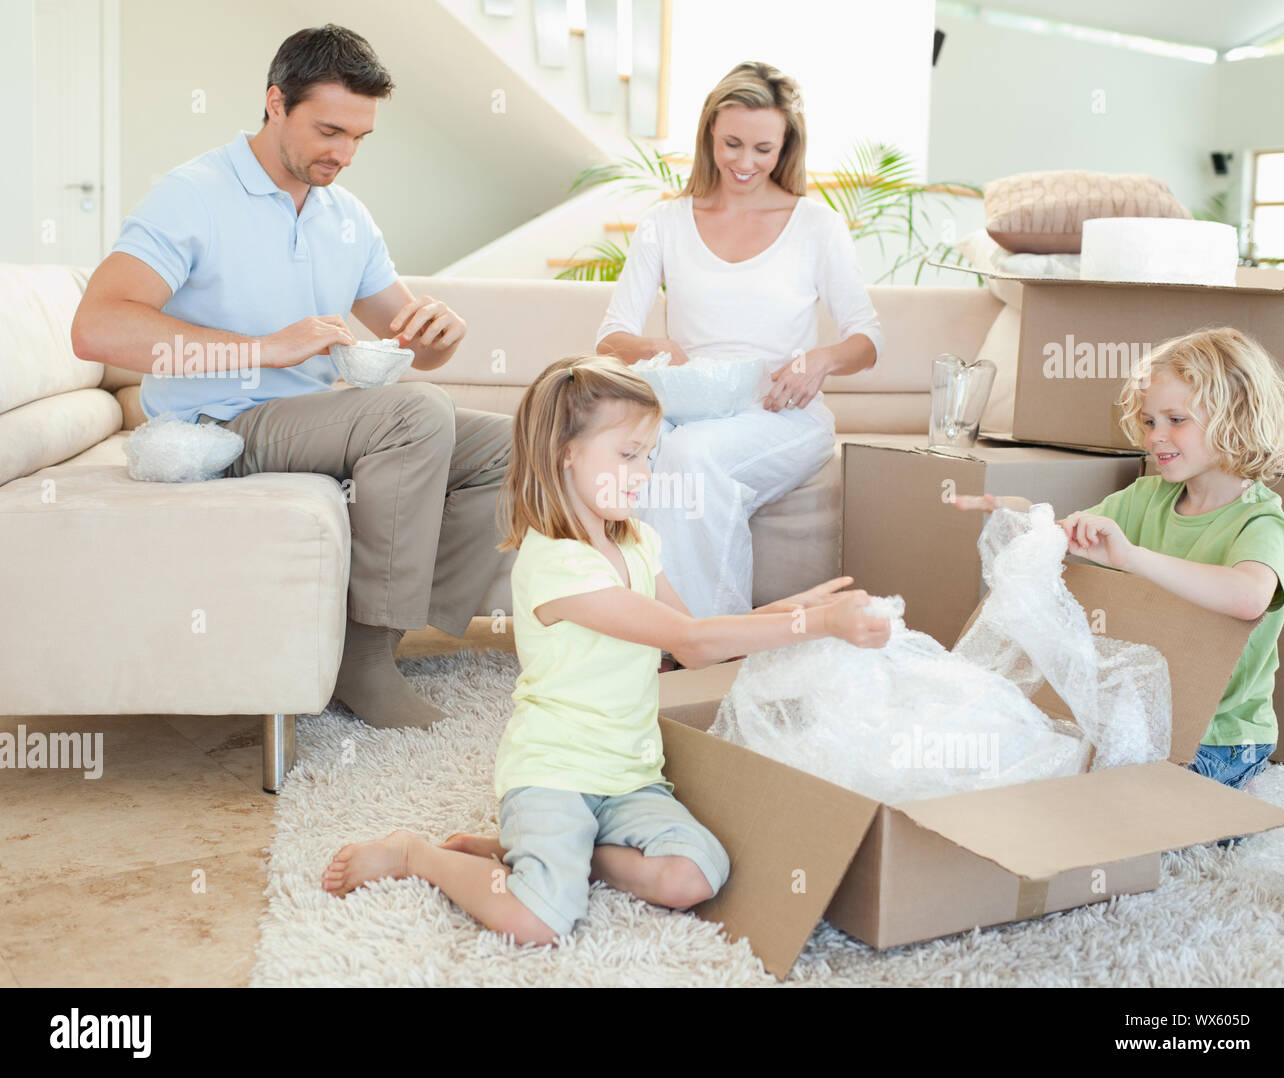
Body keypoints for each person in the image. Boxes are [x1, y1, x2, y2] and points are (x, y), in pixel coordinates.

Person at [322, 355, 890, 943]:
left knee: (693, 876)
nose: (642, 473)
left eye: (648, 455)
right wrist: (816, 622)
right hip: (555, 772)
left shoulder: (639, 540)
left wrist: (792, 609)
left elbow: (697, 640)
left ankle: (542, 854)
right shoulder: (556, 564)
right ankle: (418, 855)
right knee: (536, 921)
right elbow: (690, 641)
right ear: (566, 451)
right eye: (626, 455)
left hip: (630, 774)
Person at [70, 25, 513, 730]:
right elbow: (96, 325)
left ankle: (395, 633)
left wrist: (438, 336)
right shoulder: (193, 194)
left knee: (514, 445)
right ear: (275, 102)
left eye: (360, 138)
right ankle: (361, 662)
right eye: (329, 130)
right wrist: (263, 349)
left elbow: (406, 336)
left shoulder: (346, 215)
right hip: (215, 424)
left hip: (310, 416)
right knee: (414, 413)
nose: (343, 154)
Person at [595, 60, 884, 628]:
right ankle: (641, 632)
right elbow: (611, 336)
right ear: (709, 134)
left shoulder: (815, 225)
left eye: (763, 149)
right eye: (732, 143)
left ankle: (706, 645)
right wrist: (657, 345)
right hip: (687, 409)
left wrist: (820, 360)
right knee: (636, 452)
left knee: (691, 456)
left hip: (780, 412)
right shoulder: (667, 222)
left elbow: (867, 338)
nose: (745, 163)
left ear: (786, 147)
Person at [952, 327, 1284, 789]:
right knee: (1033, 770)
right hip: (1145, 718)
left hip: (1220, 737)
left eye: (1177, 419)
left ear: (1235, 417)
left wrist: (1132, 557)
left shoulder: (1260, 523)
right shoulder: (1145, 497)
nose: (1157, 436)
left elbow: (1248, 597)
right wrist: (1030, 524)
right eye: (1151, 421)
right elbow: (1072, 538)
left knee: (1130, 813)